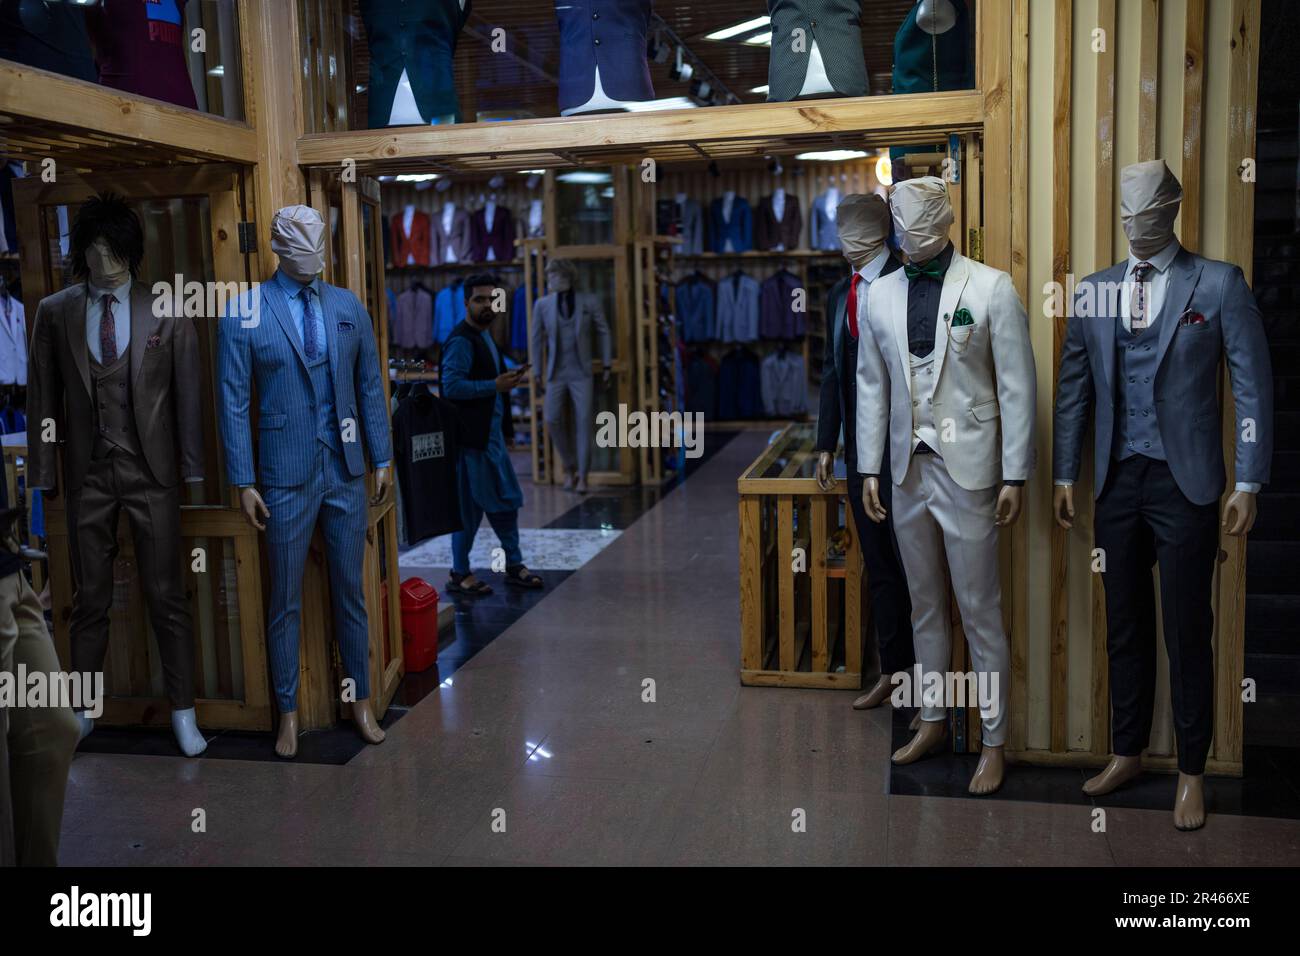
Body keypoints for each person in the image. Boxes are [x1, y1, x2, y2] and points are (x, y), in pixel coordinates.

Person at [441, 275, 543, 595]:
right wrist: (493, 386)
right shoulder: (462, 341)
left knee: (504, 503)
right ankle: (460, 574)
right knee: (469, 510)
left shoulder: (486, 337)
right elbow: (452, 387)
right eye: (479, 299)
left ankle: (514, 564)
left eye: (491, 299)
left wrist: (508, 429)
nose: (487, 305)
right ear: (466, 303)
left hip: (491, 439)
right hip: (472, 443)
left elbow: (499, 391)